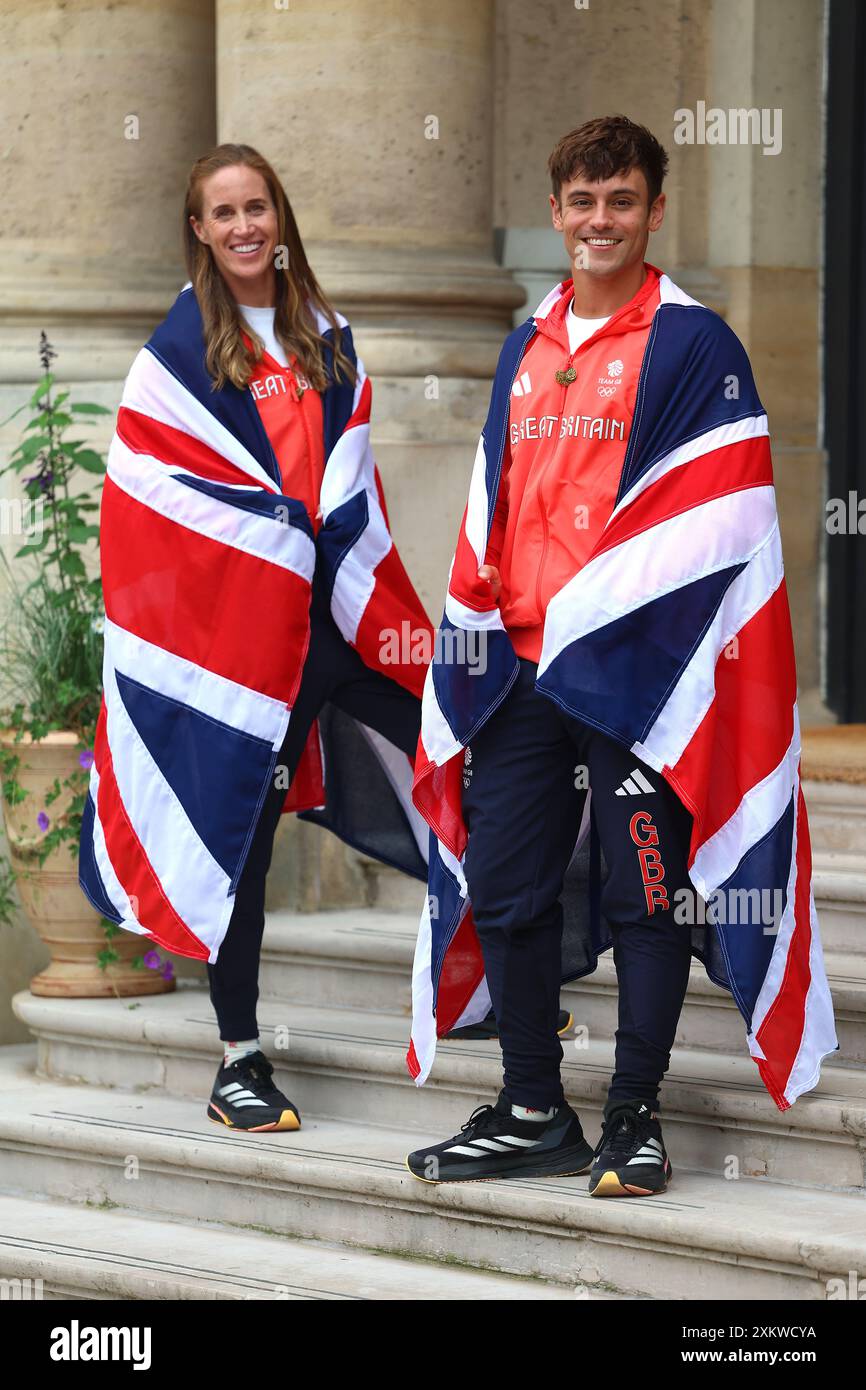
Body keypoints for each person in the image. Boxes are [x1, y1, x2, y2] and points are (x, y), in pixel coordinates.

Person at [405, 115, 837, 1195]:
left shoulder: (696, 346)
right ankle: (531, 1108)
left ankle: (632, 1116)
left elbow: (722, 519)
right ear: (555, 211)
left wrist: (615, 615)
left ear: (652, 210)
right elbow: (495, 498)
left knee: (649, 897)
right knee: (504, 891)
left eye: (621, 202)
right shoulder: (524, 342)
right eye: (581, 202)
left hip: (638, 678)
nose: (599, 221)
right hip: (518, 670)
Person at [79, 144, 431, 1133]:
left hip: (342, 623)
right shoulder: (179, 353)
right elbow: (149, 500)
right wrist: (269, 529)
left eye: (256, 206)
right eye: (222, 212)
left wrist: (320, 545)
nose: (243, 227)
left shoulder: (329, 335)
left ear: (280, 214)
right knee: (239, 830)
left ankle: (491, 984)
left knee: (463, 754)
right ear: (198, 229)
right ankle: (238, 1059)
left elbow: (351, 490)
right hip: (243, 651)